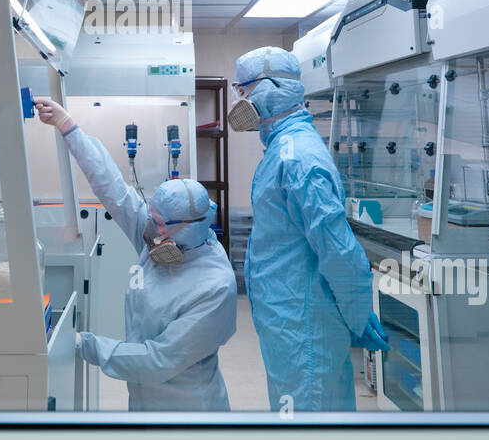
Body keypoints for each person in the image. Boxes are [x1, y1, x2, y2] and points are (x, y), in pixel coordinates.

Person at [33, 97, 237, 411]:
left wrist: (83, 345)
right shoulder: (157, 237)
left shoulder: (215, 287)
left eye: (155, 221)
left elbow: (158, 359)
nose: (146, 226)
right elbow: (111, 186)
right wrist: (67, 125)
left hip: (190, 414)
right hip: (144, 400)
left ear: (181, 229)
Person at [230, 46, 388, 411]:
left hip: (304, 327)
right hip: (290, 322)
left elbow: (337, 249)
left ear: (268, 89)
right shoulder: (281, 150)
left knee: (311, 427)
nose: (240, 101)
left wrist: (358, 312)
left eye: (244, 90)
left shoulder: (298, 157)